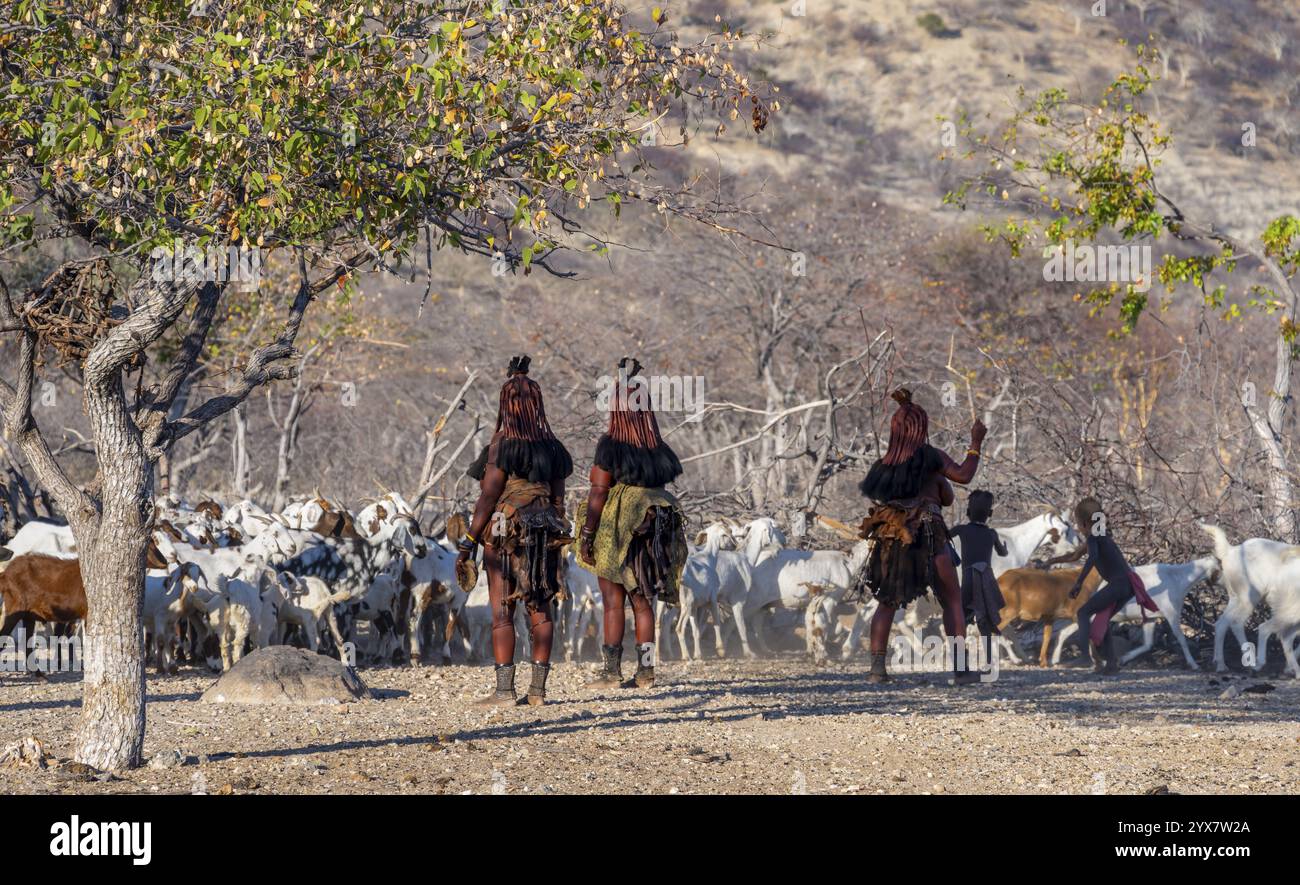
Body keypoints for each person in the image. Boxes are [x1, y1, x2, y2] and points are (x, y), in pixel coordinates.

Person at [457, 356, 573, 705]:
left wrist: (468, 544)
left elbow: (488, 496)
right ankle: (537, 691)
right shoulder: (553, 447)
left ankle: (504, 690)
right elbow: (558, 500)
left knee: (501, 610)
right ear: (537, 403)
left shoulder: (501, 445)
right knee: (540, 606)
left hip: (507, 529)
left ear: (505, 404)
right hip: (544, 532)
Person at [858, 388, 987, 685]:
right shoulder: (932, 457)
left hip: (894, 542)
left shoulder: (884, 465)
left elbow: (883, 497)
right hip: (931, 535)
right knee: (952, 601)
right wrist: (976, 442)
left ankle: (877, 671)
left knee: (886, 602)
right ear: (921, 428)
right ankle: (962, 671)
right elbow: (965, 476)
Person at [577, 358, 688, 689]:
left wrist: (587, 534)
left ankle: (611, 672)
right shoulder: (659, 448)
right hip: (656, 522)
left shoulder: (611, 446)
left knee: (613, 602)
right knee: (643, 603)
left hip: (621, 522)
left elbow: (598, 493)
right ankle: (646, 672)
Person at [1036, 497, 1156, 673]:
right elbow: (1074, 556)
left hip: (1119, 584)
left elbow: (1091, 558)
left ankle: (1085, 657)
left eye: (1077, 523)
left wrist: (1078, 583)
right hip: (1127, 585)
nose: (1077, 527)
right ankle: (1112, 664)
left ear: (1084, 523)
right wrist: (1051, 561)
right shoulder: (1100, 537)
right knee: (1103, 618)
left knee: (1082, 612)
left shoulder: (1094, 539)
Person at [949, 490, 1007, 660]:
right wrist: (1005, 548)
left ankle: (960, 660)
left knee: (962, 617)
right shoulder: (991, 534)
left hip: (968, 578)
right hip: (986, 579)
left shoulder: (962, 529)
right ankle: (989, 661)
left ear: (967, 512)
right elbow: (1002, 553)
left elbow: (943, 537)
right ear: (990, 513)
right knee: (984, 620)